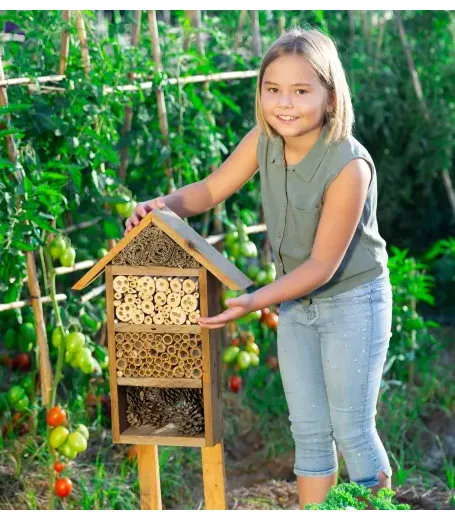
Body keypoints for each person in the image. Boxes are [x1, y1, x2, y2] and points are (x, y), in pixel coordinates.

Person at [124, 28, 393, 509]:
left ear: (331, 97)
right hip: (295, 301)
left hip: (352, 300)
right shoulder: (264, 141)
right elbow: (209, 191)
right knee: (309, 433)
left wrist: (253, 301)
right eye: (273, 90)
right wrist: (158, 206)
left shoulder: (349, 165)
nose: (284, 104)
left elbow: (321, 265)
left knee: (352, 428)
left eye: (301, 90)